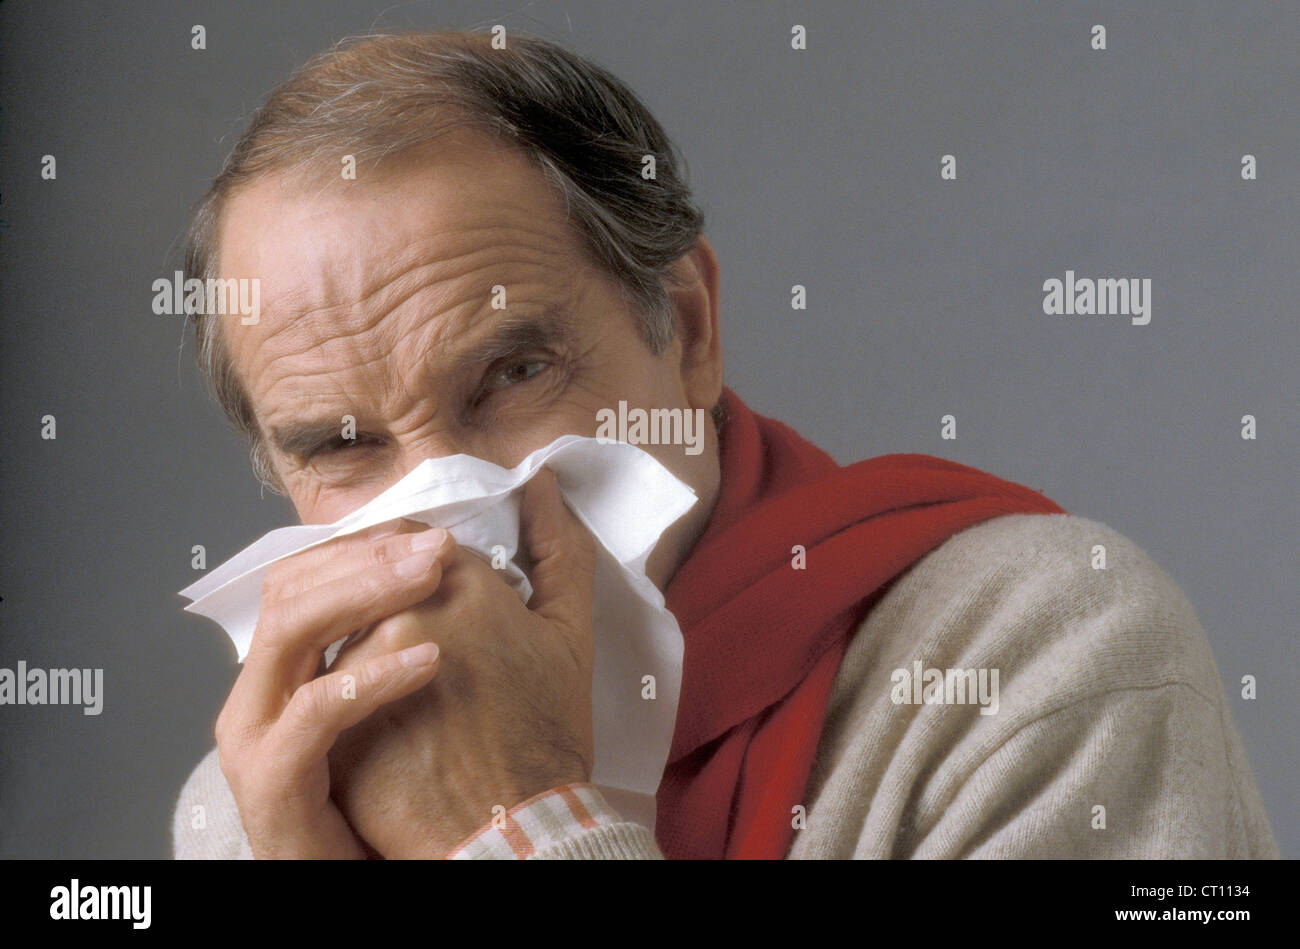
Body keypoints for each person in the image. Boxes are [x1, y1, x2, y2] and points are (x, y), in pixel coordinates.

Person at [171, 31, 1277, 859]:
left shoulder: (1044, 659)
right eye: (343, 444)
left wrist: (515, 823)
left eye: (510, 375)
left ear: (686, 328)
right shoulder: (257, 801)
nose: (441, 500)